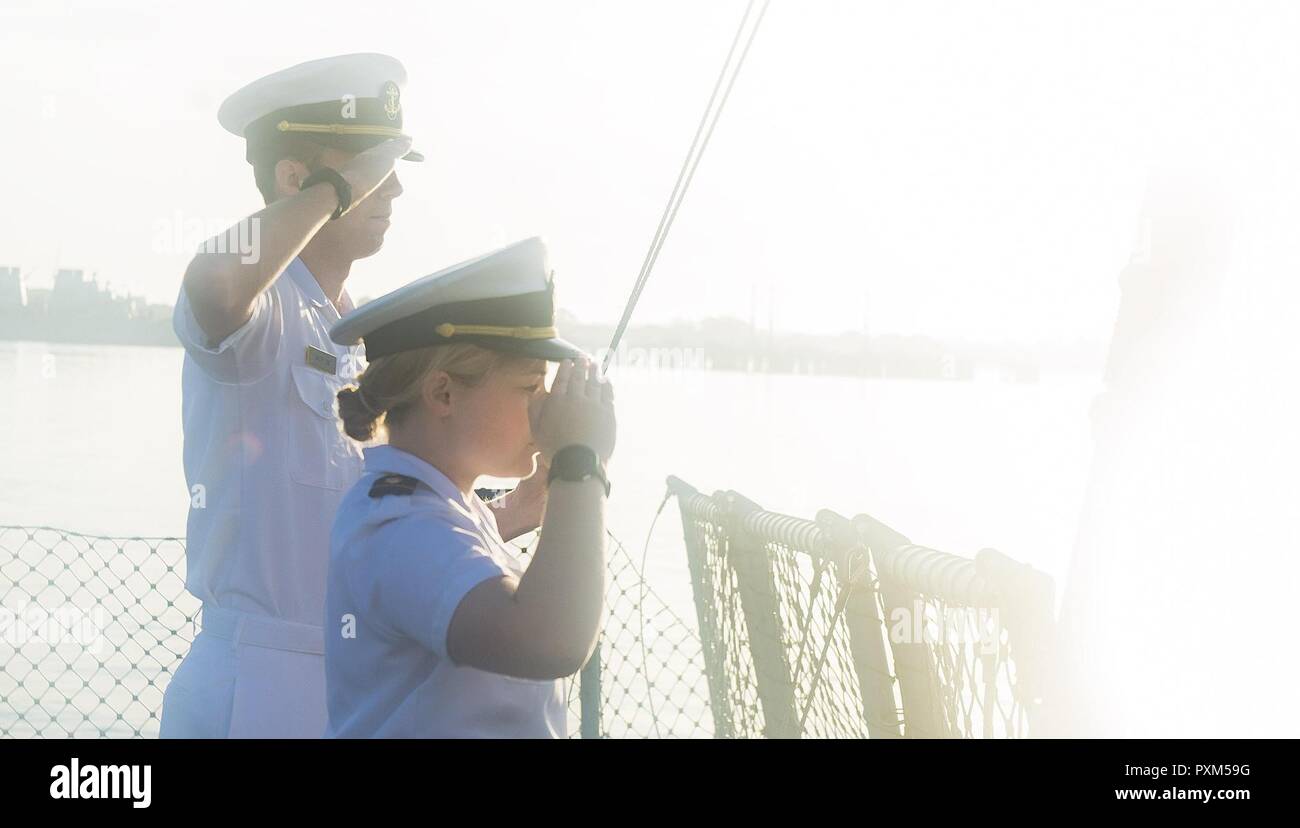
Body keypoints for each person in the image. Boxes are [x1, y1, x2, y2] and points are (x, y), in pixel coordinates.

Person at [161, 54, 547, 739]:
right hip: (263, 683)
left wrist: (510, 514)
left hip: (350, 678)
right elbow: (215, 287)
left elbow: (364, 513)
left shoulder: (352, 328)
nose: (393, 192)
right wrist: (333, 191)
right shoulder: (266, 311)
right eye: (374, 172)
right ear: (297, 180)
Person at [323, 237, 616, 737]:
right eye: (529, 386)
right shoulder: (400, 527)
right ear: (443, 393)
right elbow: (548, 641)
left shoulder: (439, 505)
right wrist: (577, 465)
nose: (545, 409)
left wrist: (548, 497)